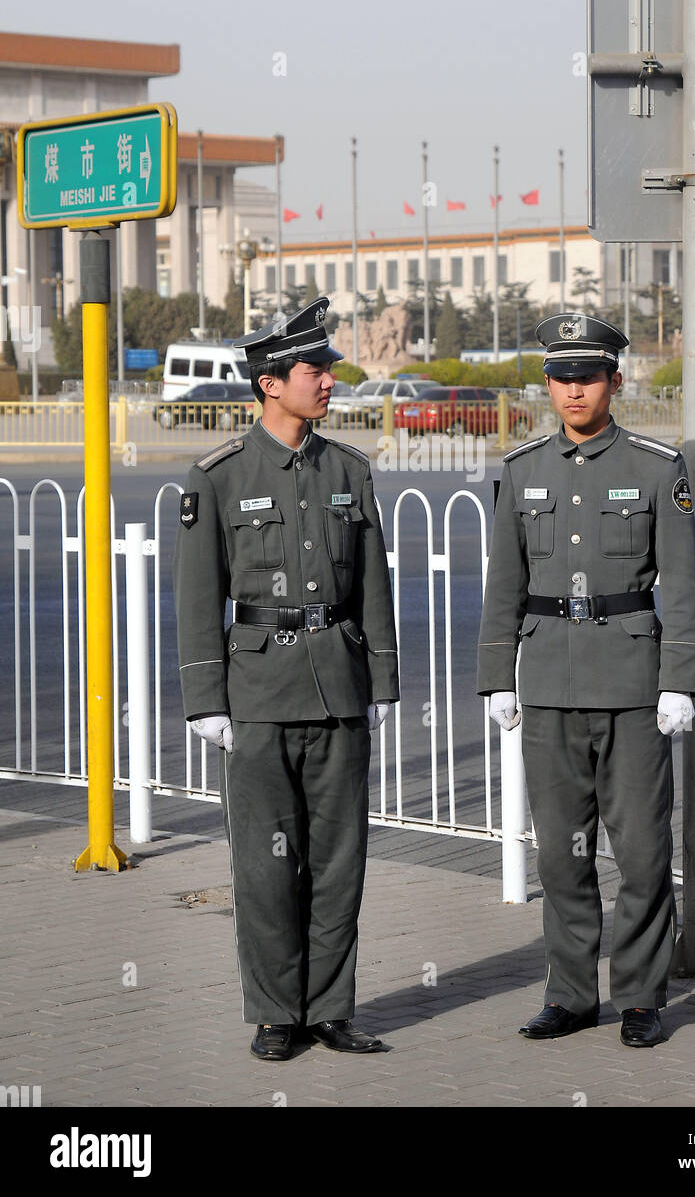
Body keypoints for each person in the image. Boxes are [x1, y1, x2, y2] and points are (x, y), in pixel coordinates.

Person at [172, 297, 399, 1062]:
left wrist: (382, 684)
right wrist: (206, 699)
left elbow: (373, 586)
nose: (329, 382)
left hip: (337, 685)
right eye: (314, 370)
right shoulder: (218, 477)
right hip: (258, 696)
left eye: (328, 369)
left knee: (339, 861)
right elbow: (197, 596)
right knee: (265, 868)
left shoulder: (349, 470)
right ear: (271, 384)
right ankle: (275, 1012)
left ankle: (330, 1008)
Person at [477, 314, 695, 1049]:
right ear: (546, 384)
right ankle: (571, 994)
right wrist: (495, 676)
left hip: (634, 683)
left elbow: (683, 584)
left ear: (614, 380)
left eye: (587, 376)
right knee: (560, 852)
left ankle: (640, 995)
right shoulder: (519, 471)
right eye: (560, 377)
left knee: (640, 850)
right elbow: (503, 585)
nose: (573, 390)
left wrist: (679, 678)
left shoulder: (653, 466)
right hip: (547, 683)